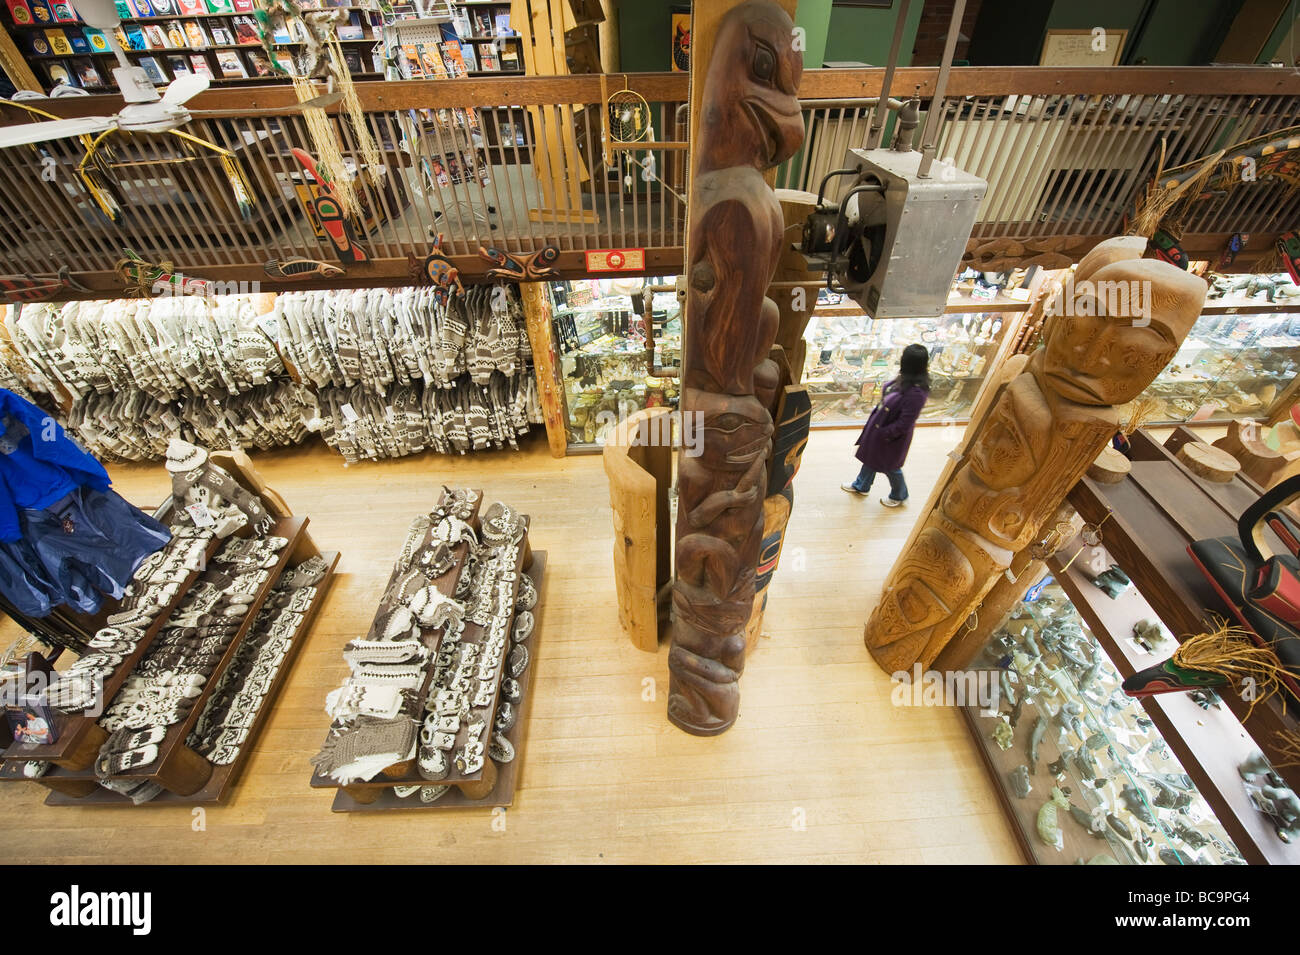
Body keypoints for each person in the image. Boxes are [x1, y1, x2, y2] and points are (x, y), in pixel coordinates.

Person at [842, 343, 930, 507]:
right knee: (871, 458)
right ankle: (862, 485)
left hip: (891, 436)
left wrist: (884, 433)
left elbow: (905, 423)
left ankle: (899, 495)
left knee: (890, 466)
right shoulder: (905, 379)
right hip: (880, 428)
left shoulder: (917, 393)